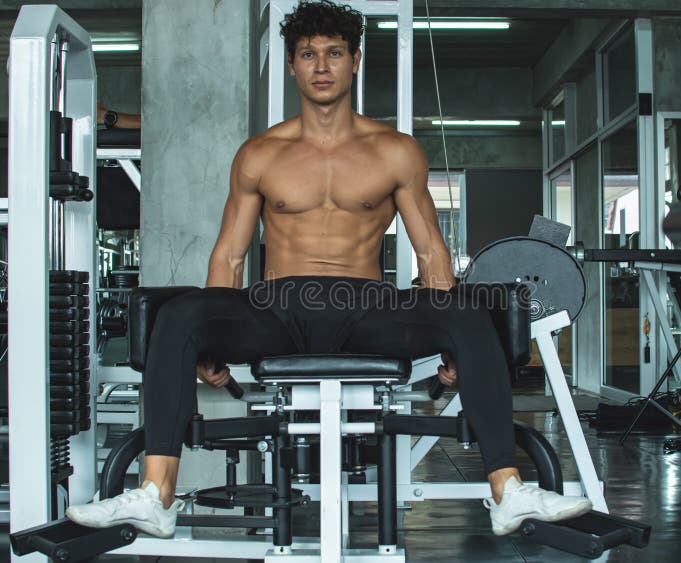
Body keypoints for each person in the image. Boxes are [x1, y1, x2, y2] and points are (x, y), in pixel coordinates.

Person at [66, 0, 591, 539]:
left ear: (355, 60)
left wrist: (457, 343)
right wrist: (209, 343)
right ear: (292, 65)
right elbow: (228, 256)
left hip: (366, 307)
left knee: (466, 310)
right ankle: (157, 494)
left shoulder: (394, 151)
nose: (321, 65)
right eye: (308, 54)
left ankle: (507, 492)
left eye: (334, 53)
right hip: (276, 309)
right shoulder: (260, 153)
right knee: (181, 315)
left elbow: (432, 253)